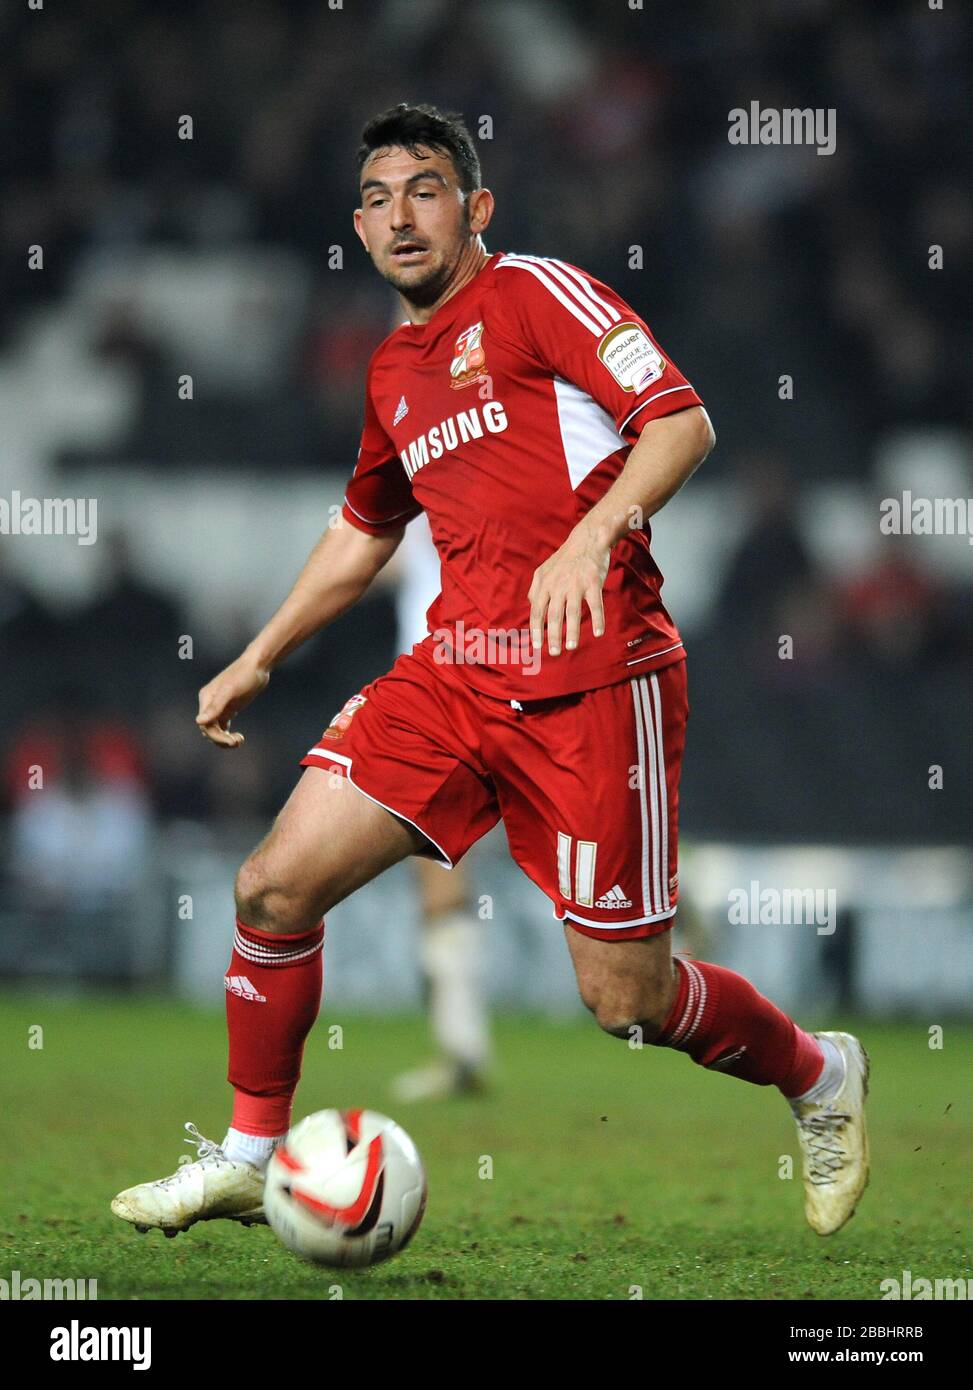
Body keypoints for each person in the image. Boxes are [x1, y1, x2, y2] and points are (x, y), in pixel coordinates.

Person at [112, 103, 868, 1240]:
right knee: (271, 886)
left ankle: (818, 1074)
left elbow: (681, 424)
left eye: (423, 189)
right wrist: (259, 655)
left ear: (476, 209)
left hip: (598, 681)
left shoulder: (537, 296)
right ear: (357, 232)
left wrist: (589, 533)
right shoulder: (391, 371)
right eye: (373, 199)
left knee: (627, 999)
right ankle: (247, 1155)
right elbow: (365, 528)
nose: (396, 215)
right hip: (456, 677)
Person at [389, 515, 491, 1101]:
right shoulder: (435, 471)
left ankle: (462, 1049)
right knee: (439, 874)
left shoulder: (432, 476)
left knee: (440, 876)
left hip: (459, 691)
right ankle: (461, 1049)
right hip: (449, 693)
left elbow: (369, 553)